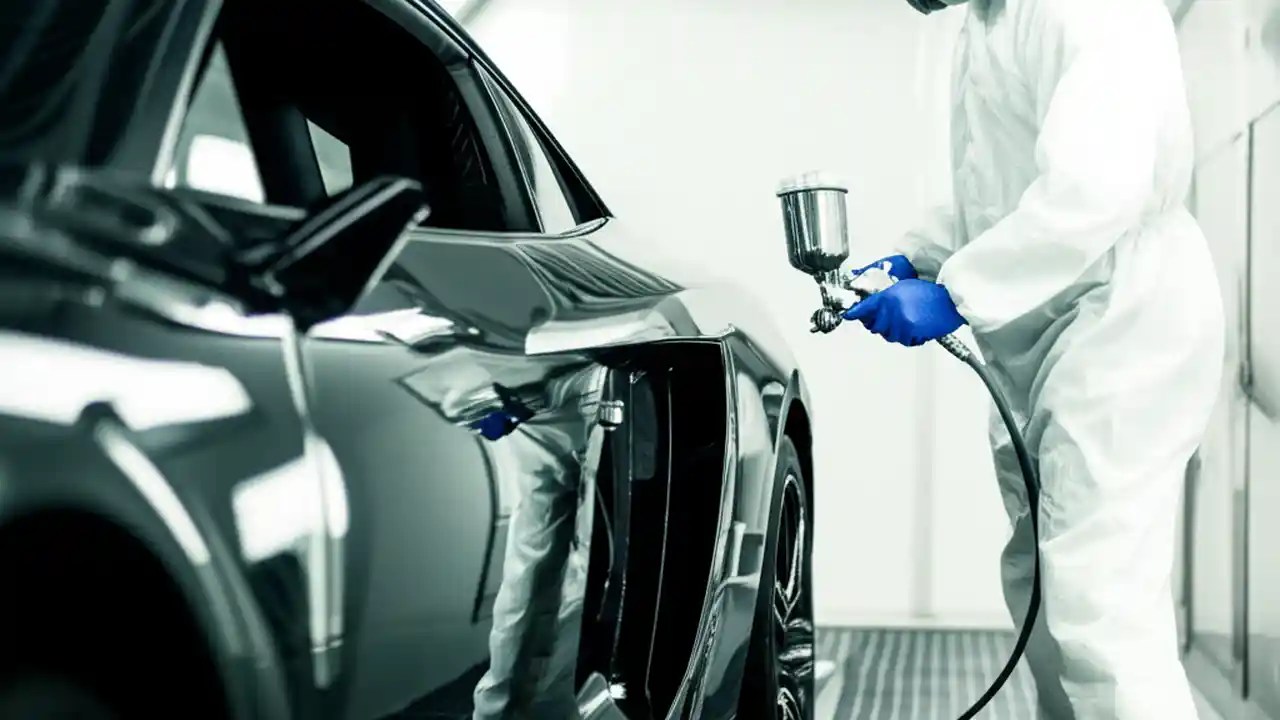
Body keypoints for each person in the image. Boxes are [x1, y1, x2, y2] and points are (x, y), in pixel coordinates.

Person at [845, 0, 1223, 717]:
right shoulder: (987, 21)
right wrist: (919, 259)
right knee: (1044, 588)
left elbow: (1097, 188)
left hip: (1121, 320)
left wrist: (957, 290)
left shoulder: (1083, 9)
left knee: (1100, 608)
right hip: (1052, 328)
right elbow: (1000, 190)